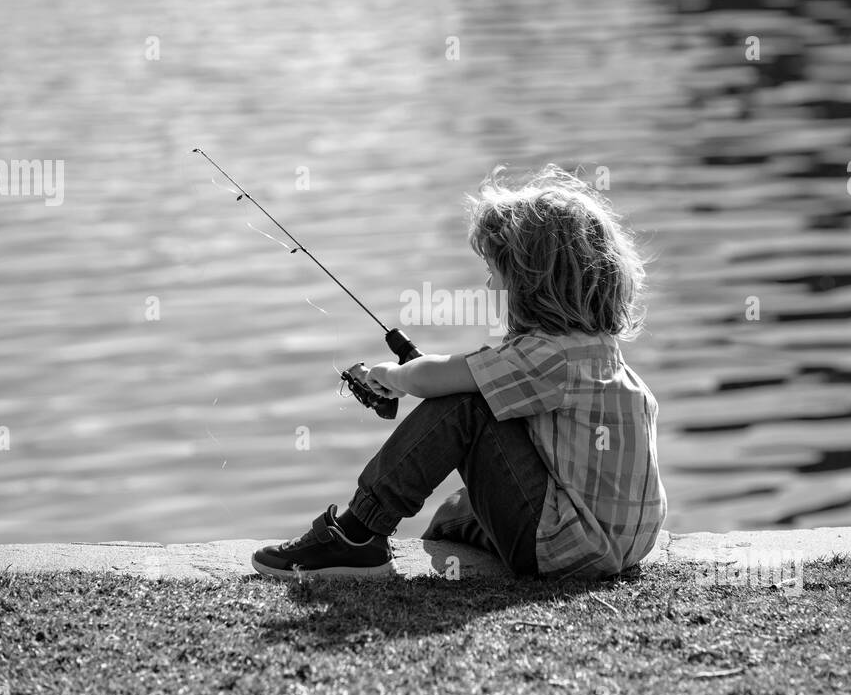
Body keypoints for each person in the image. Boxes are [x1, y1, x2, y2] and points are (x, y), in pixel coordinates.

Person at [251, 164, 667, 580]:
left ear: (531, 283)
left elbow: (451, 381)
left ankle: (358, 534)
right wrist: (428, 372)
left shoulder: (546, 357)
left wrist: (395, 377)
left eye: (495, 273)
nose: (490, 288)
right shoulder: (599, 356)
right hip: (621, 544)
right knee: (453, 513)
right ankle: (438, 554)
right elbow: (466, 374)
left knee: (469, 402)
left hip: (562, 544)